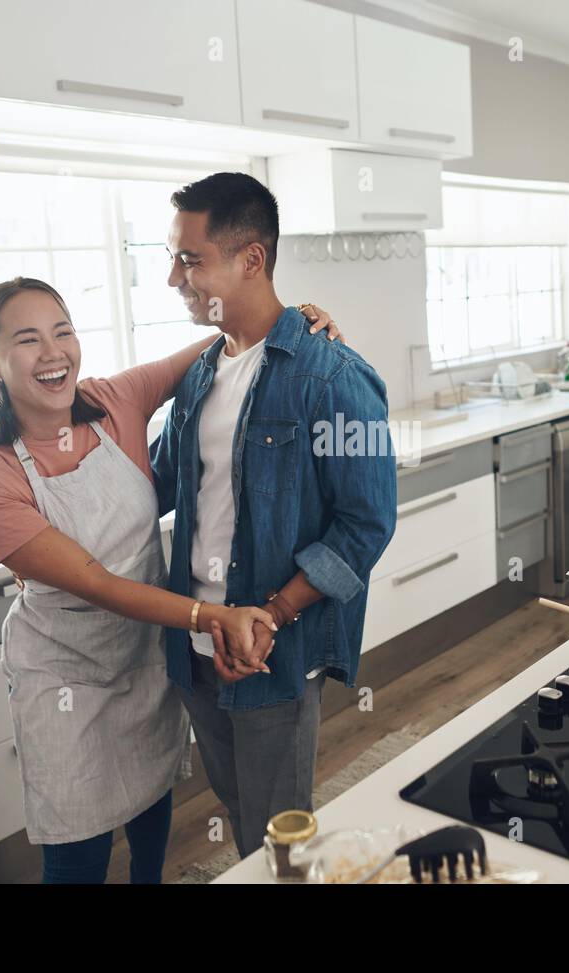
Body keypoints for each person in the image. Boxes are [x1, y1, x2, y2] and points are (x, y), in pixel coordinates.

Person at [0, 276, 342, 883]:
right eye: (28, 340)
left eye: (64, 331)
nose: (54, 353)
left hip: (143, 655)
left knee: (148, 804)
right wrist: (211, 617)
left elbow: (224, 341)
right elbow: (97, 582)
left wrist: (294, 317)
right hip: (64, 673)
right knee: (77, 846)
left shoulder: (116, 402)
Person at [150, 172, 397, 857]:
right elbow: (159, 481)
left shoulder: (336, 375)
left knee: (280, 833)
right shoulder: (201, 373)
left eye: (191, 258)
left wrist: (274, 614)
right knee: (243, 821)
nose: (175, 276)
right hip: (197, 643)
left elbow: (367, 522)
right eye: (175, 257)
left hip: (270, 649)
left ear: (251, 259)